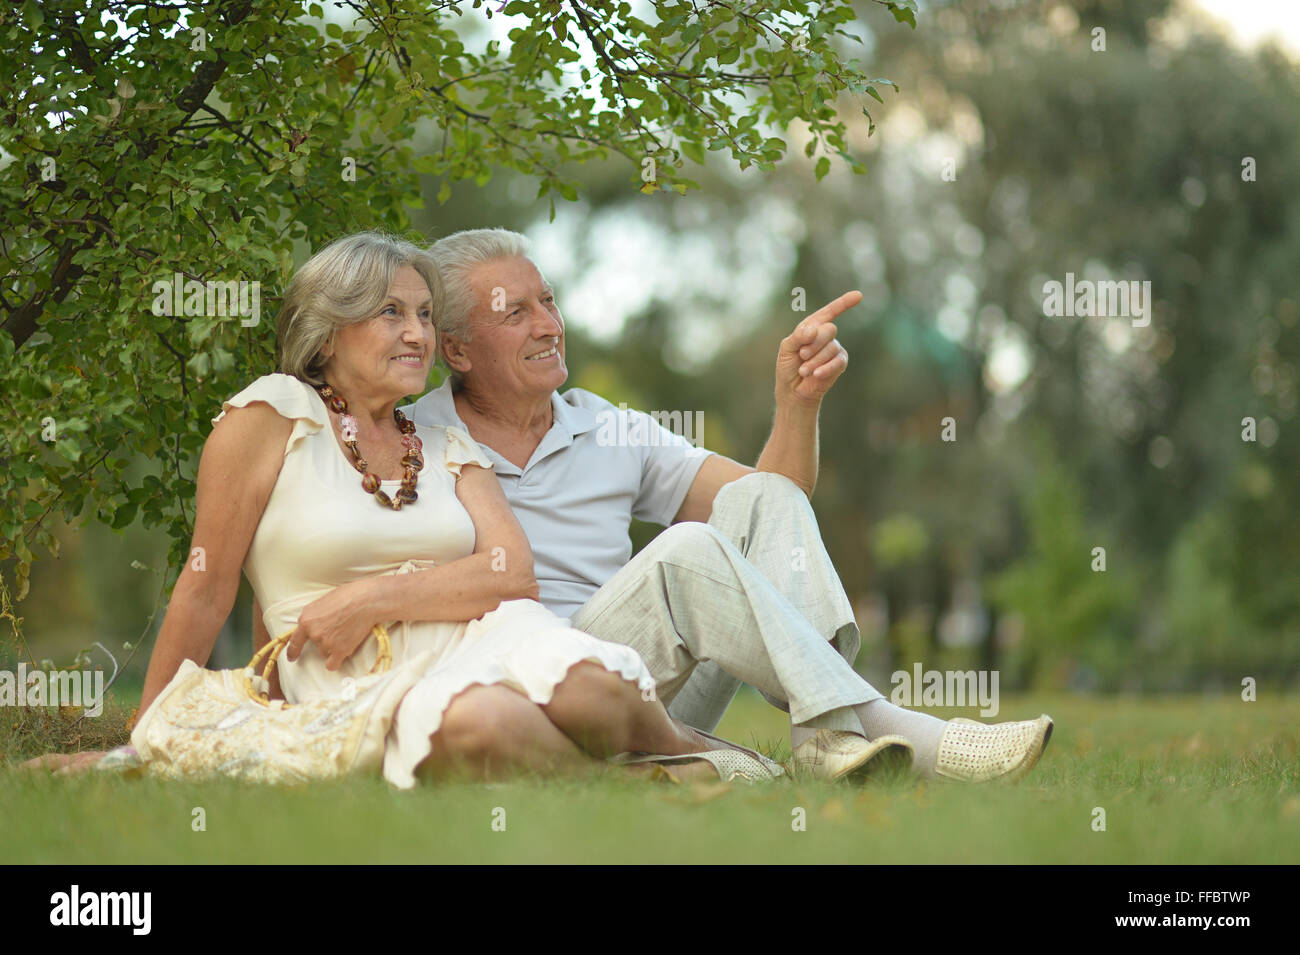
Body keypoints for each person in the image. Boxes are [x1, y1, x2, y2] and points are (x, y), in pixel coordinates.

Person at [30, 232, 783, 785]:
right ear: (329, 329)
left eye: (425, 314)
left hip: (486, 635)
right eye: (392, 313)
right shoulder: (269, 418)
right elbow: (207, 584)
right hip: (357, 674)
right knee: (490, 724)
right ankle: (654, 785)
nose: (418, 333)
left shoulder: (439, 437)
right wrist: (148, 732)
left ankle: (721, 762)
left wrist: (371, 595)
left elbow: (510, 570)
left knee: (592, 685)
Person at [378, 227, 1054, 784]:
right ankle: (880, 735)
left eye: (549, 301)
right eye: (515, 312)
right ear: (458, 348)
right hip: (510, 684)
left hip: (638, 680)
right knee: (684, 549)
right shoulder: (417, 439)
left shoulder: (608, 425)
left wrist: (797, 403)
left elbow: (771, 503)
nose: (549, 324)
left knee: (761, 496)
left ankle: (826, 729)